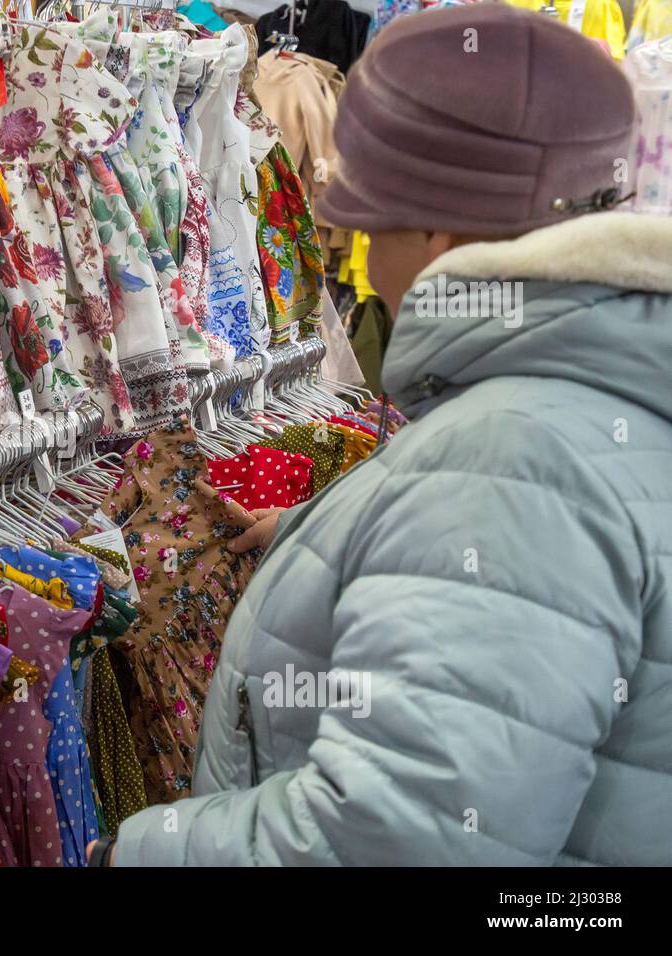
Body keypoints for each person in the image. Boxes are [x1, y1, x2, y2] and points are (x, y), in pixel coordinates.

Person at [88, 4, 672, 866]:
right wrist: (333, 542)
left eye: (371, 229)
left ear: (438, 230)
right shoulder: (588, 405)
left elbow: (406, 835)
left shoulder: (507, 461)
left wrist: (139, 855)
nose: (365, 259)